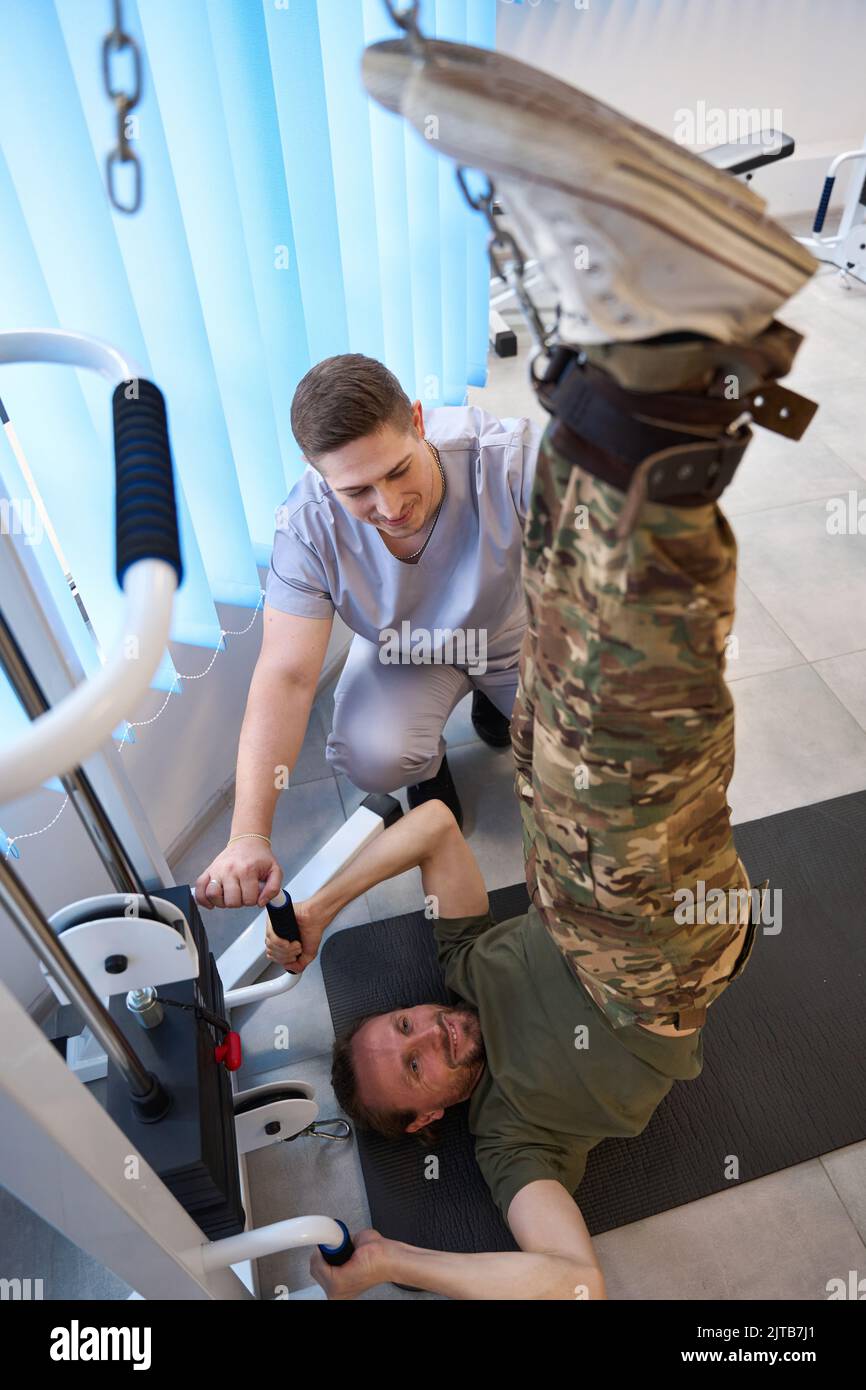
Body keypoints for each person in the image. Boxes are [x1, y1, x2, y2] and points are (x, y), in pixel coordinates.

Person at [263, 32, 819, 1299]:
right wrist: (393, 1260)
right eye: (417, 1062)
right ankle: (683, 346)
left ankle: (648, 354)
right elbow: (573, 1291)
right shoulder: (515, 1134)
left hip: (569, 887)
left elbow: (433, 847)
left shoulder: (460, 970)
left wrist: (324, 910)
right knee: (613, 751)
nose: (430, 1031)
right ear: (426, 1124)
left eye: (401, 1024)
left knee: (567, 630)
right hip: (647, 961)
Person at [194, 356, 542, 914]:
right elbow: (286, 675)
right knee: (373, 752)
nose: (390, 506)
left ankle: (498, 705)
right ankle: (429, 762)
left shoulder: (508, 459)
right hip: (403, 652)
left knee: (578, 750)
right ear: (317, 471)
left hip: (510, 636)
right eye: (357, 491)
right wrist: (247, 836)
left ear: (419, 421)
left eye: (400, 470)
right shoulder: (306, 525)